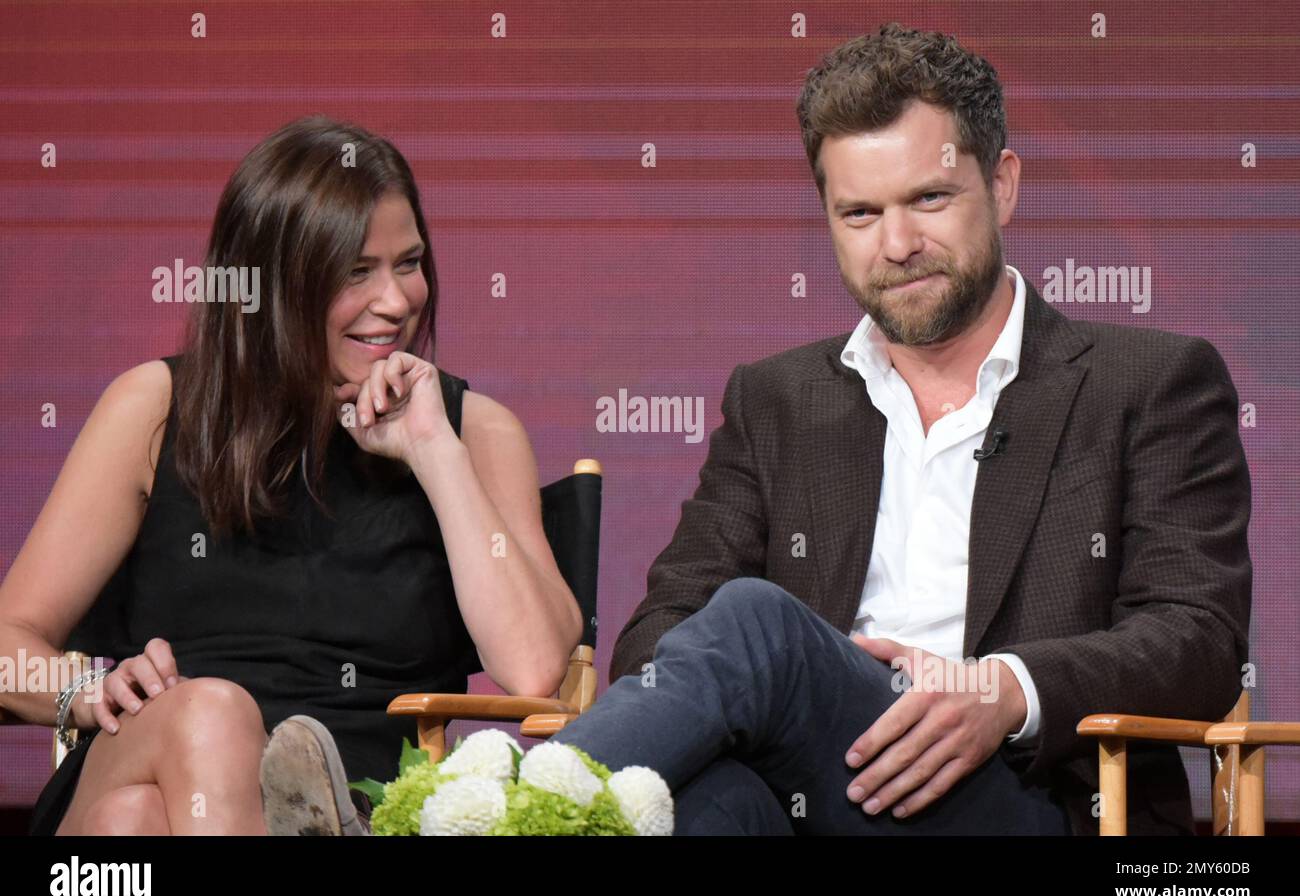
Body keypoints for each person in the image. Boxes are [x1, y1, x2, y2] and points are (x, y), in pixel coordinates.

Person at [268, 23, 1252, 836]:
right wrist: (802, 680)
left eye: (929, 200)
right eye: (859, 212)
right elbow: (654, 640)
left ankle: (448, 824)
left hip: (1033, 801)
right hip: (809, 796)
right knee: (702, 800)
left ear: (1000, 185)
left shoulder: (1146, 382)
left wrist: (1004, 686)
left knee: (755, 625)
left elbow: (1198, 638)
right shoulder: (779, 399)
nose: (896, 244)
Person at [0, 115, 583, 835]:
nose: (398, 302)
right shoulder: (152, 409)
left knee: (134, 823)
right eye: (356, 272)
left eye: (409, 263)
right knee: (210, 715)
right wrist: (85, 689)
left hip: (356, 808)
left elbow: (532, 670)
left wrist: (435, 451)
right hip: (156, 742)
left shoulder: (476, 431)